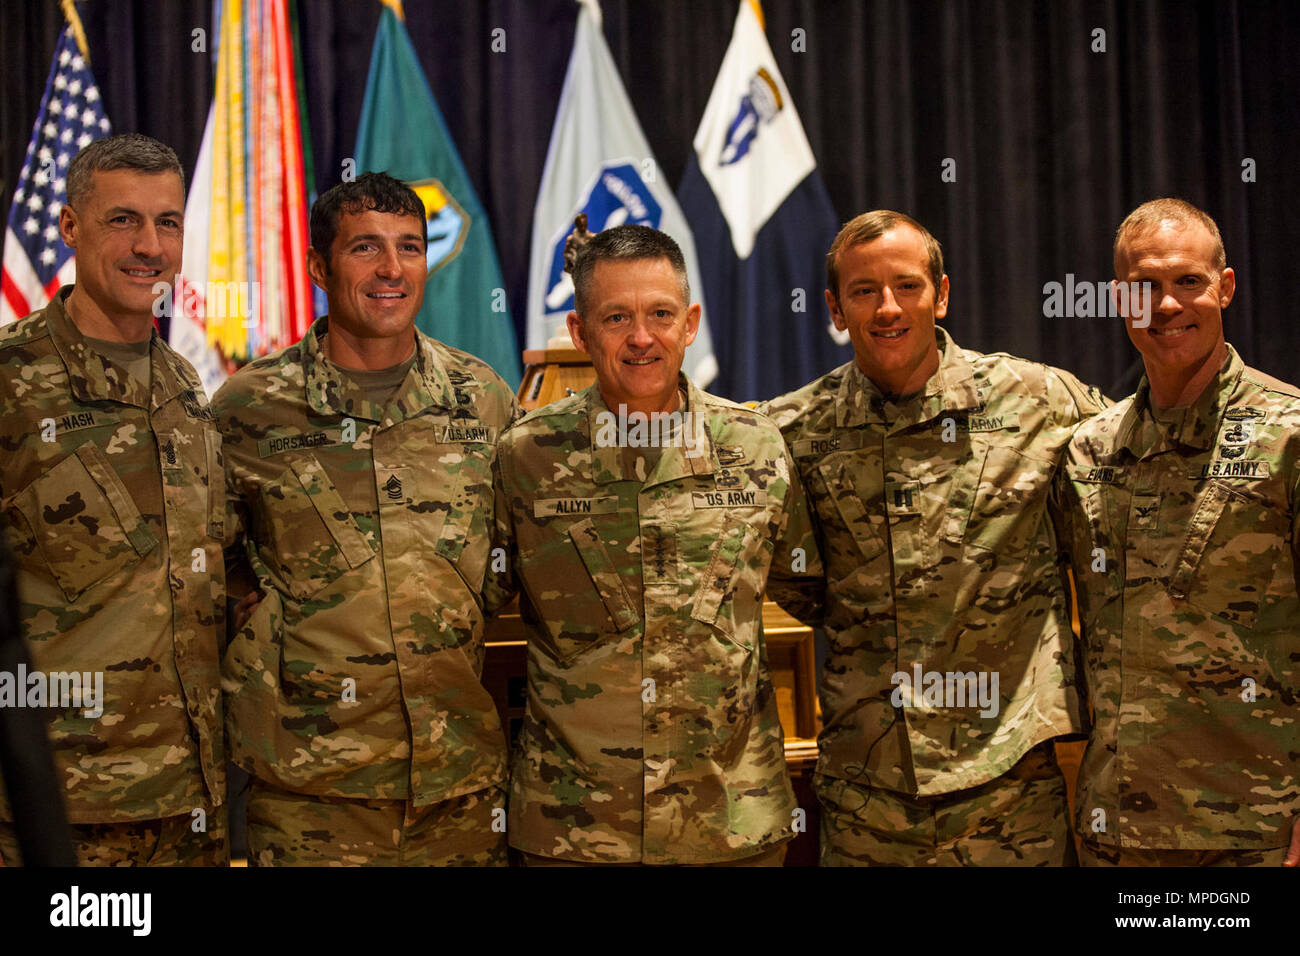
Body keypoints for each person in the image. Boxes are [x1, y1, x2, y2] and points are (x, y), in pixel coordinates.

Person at [759, 210, 1108, 865]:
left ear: (941, 295)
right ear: (835, 309)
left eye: (907, 286)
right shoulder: (793, 434)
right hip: (867, 801)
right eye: (864, 291)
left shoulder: (1043, 402)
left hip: (1009, 798)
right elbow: (799, 587)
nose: (887, 307)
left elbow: (1136, 500)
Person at [490, 224, 821, 865]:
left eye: (660, 314)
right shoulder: (526, 457)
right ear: (580, 331)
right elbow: (470, 601)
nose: (642, 338)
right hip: (575, 830)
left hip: (732, 826)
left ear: (690, 322)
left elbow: (810, 589)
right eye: (616, 317)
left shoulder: (756, 448)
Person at [214, 172, 519, 866]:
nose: (392, 269)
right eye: (366, 249)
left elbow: (511, 553)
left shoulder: (483, 400)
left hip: (458, 784)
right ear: (319, 266)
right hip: (311, 793)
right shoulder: (248, 409)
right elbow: (211, 561)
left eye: (410, 247)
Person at [0, 134, 227, 865]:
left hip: (190, 798)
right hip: (57, 810)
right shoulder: (9, 383)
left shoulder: (185, 384)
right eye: (122, 220)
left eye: (167, 222)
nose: (149, 247)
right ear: (70, 227)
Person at [1055, 198, 1300, 866]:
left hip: (1257, 831)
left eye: (1187, 281)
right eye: (1144, 287)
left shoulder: (1289, 438)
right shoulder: (1089, 453)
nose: (1166, 305)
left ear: (1224, 286)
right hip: (1118, 828)